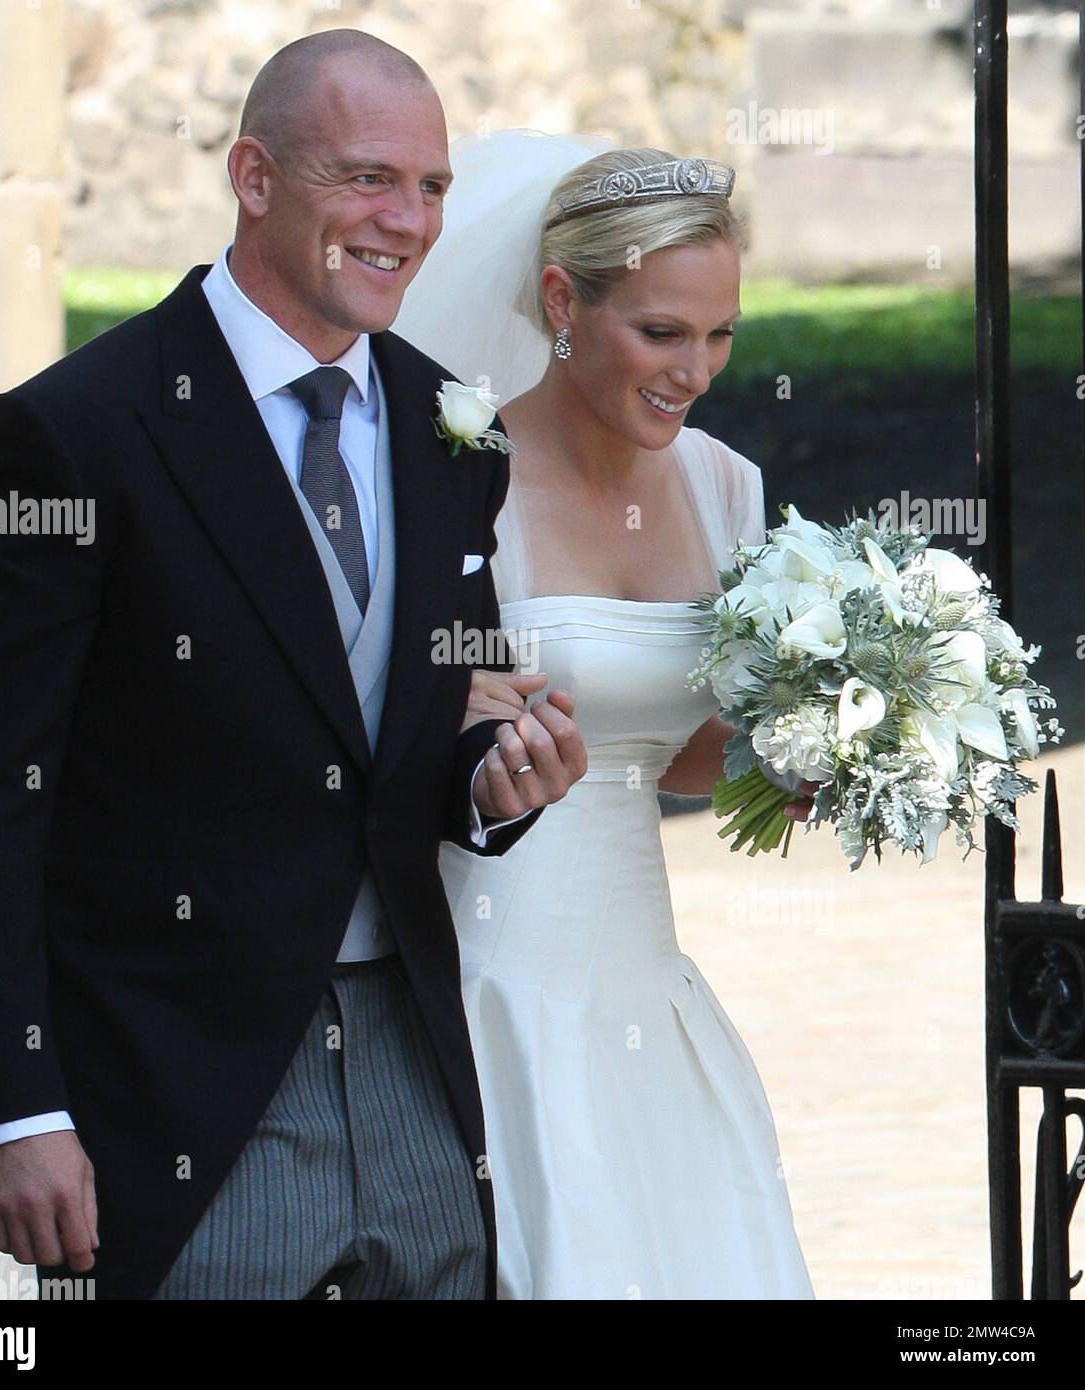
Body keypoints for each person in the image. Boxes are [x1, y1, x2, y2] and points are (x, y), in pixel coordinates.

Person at [0, 38, 586, 1301]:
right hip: (173, 1078)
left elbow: (416, 721)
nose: (408, 222)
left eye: (431, 187)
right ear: (254, 176)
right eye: (369, 178)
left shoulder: (456, 431)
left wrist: (491, 783)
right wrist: (10, 1108)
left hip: (412, 1068)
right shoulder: (67, 438)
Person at [394, 131, 816, 1298]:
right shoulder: (455, 473)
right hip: (484, 982)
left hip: (640, 981)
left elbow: (676, 754)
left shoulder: (724, 484)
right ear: (558, 302)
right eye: (662, 332)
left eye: (721, 333)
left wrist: (792, 760)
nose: (697, 368)